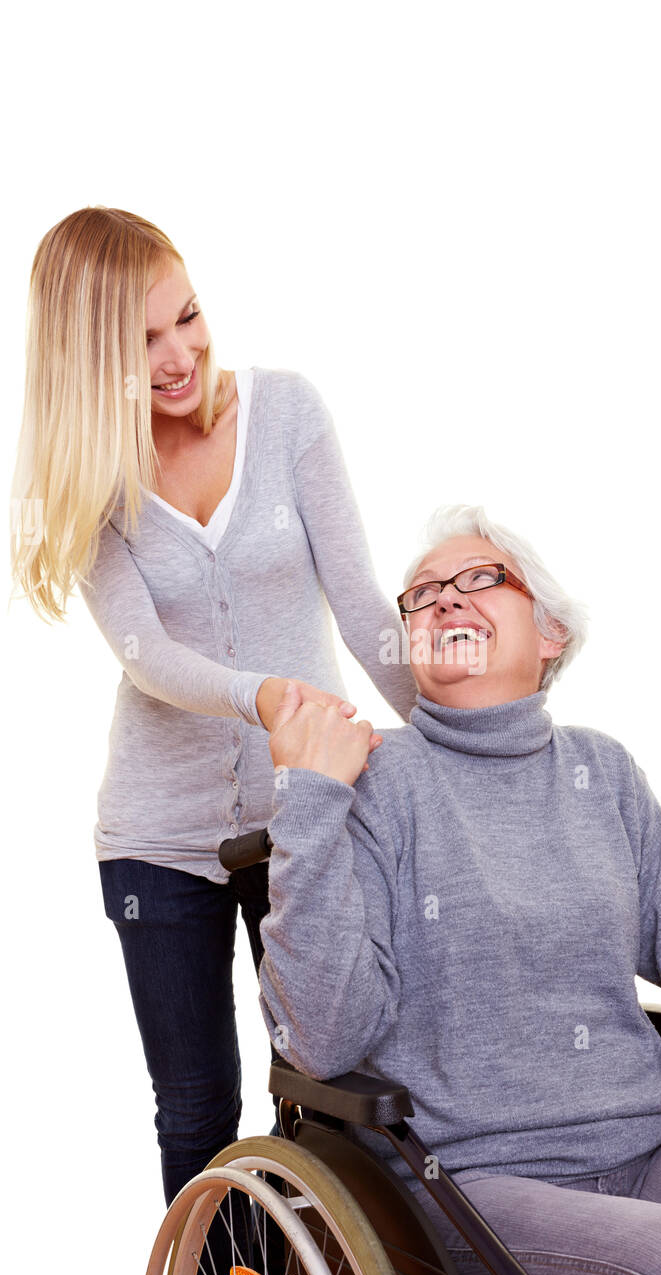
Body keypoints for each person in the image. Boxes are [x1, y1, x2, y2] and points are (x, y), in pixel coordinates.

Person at [257, 503, 661, 1275]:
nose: (444, 599)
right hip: (468, 1180)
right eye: (422, 592)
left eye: (478, 580)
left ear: (552, 636)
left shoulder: (602, 773)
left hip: (652, 1153)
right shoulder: (377, 782)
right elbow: (327, 1040)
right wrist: (308, 799)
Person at [9, 207, 417, 1221]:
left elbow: (361, 603)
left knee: (327, 1099)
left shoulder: (286, 414)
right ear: (87, 356)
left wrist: (457, 737)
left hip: (303, 825)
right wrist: (262, 695)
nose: (179, 352)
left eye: (186, 316)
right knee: (196, 1113)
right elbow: (147, 655)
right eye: (140, 341)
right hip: (158, 841)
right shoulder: (96, 477)